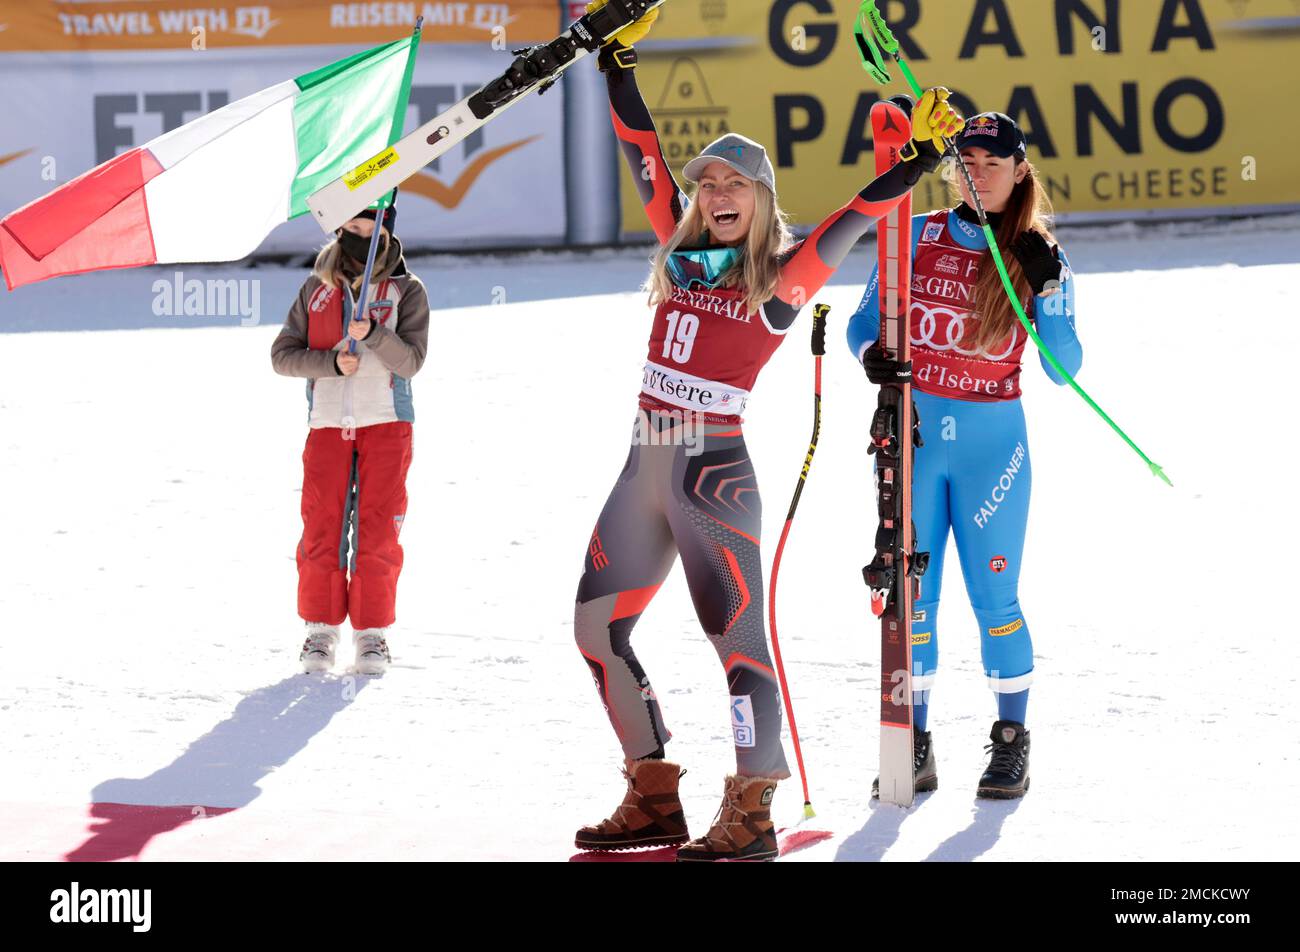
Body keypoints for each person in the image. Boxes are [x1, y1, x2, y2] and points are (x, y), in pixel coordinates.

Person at [572, 1, 963, 860]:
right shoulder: (680, 254)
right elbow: (643, 153)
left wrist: (927, 156)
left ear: (760, 201)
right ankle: (652, 794)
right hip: (645, 466)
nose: (716, 196)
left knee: (738, 646)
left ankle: (752, 809)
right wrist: (616, 65)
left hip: (711, 472)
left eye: (734, 186)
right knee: (596, 631)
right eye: (708, 183)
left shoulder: (779, 280)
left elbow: (855, 217)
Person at [847, 112, 1083, 799]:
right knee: (912, 599)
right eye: (966, 161)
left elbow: (1066, 371)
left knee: (995, 599)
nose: (977, 173)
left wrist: (1046, 290)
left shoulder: (1040, 255)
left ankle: (1012, 741)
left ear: (1018, 172)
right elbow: (865, 322)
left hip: (992, 450)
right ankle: (913, 740)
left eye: (992, 162)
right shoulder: (915, 234)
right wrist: (876, 360)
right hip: (913, 438)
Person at [270, 198, 429, 676]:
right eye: (349, 225)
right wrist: (331, 364)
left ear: (384, 229)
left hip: (386, 424)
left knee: (379, 531)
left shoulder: (406, 290)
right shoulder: (316, 288)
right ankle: (319, 630)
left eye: (367, 224)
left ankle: (372, 634)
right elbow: (282, 355)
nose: (357, 233)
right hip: (326, 427)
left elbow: (411, 362)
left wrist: (376, 333)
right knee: (322, 527)